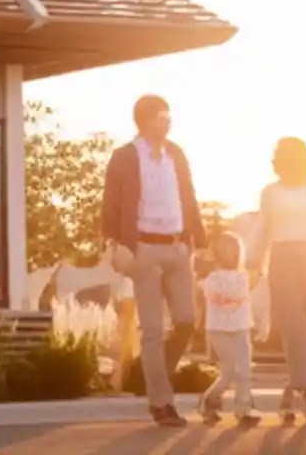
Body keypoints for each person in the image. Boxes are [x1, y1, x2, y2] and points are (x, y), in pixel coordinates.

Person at [103, 94, 208, 427]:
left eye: (168, 116)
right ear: (145, 121)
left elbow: (189, 195)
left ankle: (151, 373)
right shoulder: (124, 157)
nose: (168, 122)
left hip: (177, 247)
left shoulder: (176, 153)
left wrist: (199, 241)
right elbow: (111, 203)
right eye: (162, 116)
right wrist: (113, 242)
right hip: (143, 249)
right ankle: (161, 402)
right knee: (151, 329)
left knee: (187, 320)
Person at [248, 137, 306, 422]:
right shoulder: (271, 192)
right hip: (282, 258)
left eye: (285, 156)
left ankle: (292, 388)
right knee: (294, 326)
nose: (279, 161)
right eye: (278, 156)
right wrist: (252, 263)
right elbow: (263, 227)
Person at [196, 232, 262, 425]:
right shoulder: (210, 277)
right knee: (230, 370)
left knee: (244, 370)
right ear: (215, 252)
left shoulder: (244, 276)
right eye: (223, 249)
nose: (229, 253)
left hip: (241, 326)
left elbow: (243, 293)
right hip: (218, 329)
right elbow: (212, 291)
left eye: (232, 249)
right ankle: (210, 400)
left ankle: (244, 408)